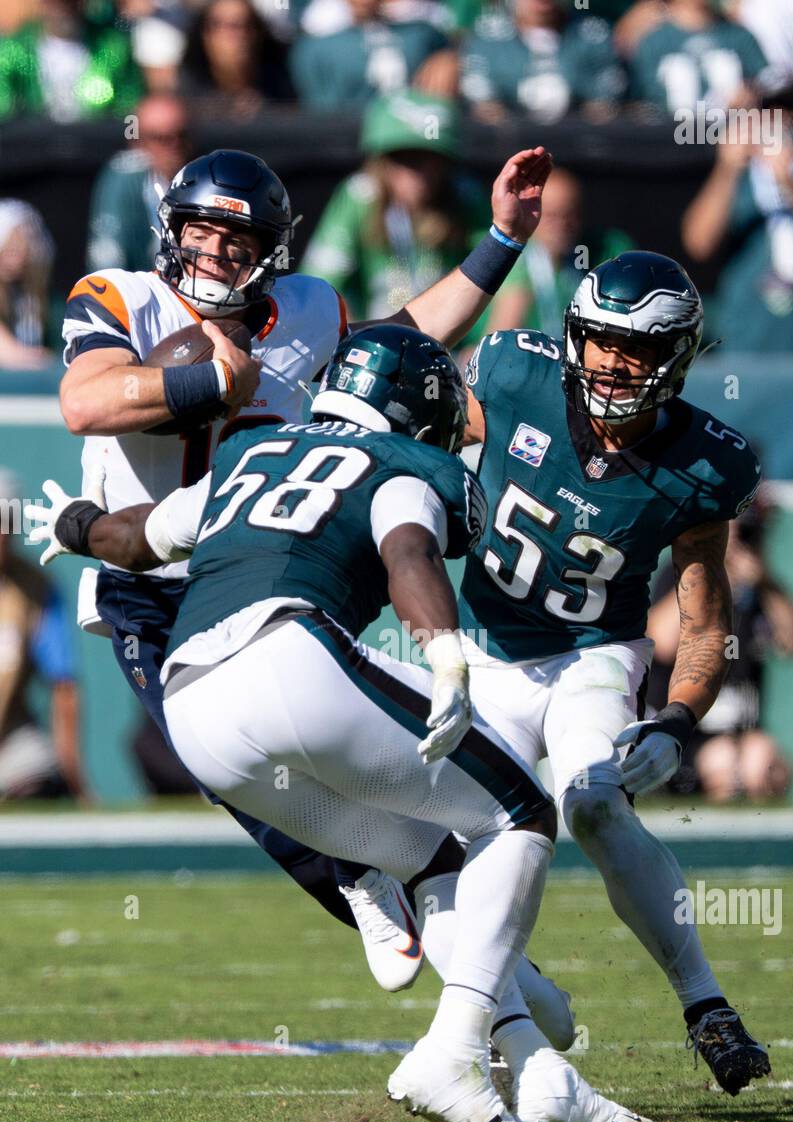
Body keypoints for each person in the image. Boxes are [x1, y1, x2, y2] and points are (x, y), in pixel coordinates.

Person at [29, 323, 654, 1122]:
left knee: (431, 861)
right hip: (288, 656)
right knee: (523, 815)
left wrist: (70, 524)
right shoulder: (402, 462)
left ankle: (535, 1067)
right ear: (414, 407)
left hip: (195, 712)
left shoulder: (249, 454)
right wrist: (446, 657)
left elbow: (134, 540)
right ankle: (454, 1051)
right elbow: (408, 555)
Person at [58, 142, 553, 990]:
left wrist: (501, 240)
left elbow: (408, 338)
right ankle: (360, 875)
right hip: (146, 569)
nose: (216, 254)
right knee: (222, 762)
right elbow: (85, 402)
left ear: (271, 254)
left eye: (239, 242)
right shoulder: (119, 296)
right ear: (171, 230)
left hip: (257, 570)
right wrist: (207, 384)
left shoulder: (308, 310)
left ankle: (445, 909)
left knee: (319, 752)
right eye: (202, 234)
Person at [457, 250, 772, 1096]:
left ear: (675, 356)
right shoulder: (512, 377)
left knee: (591, 800)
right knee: (459, 847)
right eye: (597, 339)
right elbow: (414, 430)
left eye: (633, 348)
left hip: (591, 655)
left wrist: (676, 720)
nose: (609, 360)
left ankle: (706, 1006)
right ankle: (522, 1013)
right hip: (480, 653)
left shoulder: (704, 463)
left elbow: (705, 622)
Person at [646, 493, 793, 800]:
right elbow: (662, 641)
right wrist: (712, 567)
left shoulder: (760, 587)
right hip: (681, 733)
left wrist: (765, 582)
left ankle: (758, 846)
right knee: (725, 764)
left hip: (741, 730)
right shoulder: (683, 572)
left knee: (765, 763)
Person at [681, 78, 793, 352]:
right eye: (767, 113)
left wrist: (792, 185)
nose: (778, 124)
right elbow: (698, 243)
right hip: (747, 346)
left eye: (787, 113)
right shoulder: (734, 185)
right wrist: (727, 169)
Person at [300, 93, 489, 331]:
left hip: (450, 348)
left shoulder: (466, 196)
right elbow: (319, 284)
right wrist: (354, 342)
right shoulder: (358, 195)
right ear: (381, 162)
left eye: (432, 159)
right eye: (404, 159)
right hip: (373, 344)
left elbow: (512, 281)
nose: (419, 174)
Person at [0, 468, 87, 802]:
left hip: (9, 736)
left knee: (37, 772)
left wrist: (73, 772)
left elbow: (63, 684)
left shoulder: (34, 590)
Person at [486, 167, 634, 338]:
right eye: (551, 216)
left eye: (569, 215)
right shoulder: (516, 260)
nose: (561, 225)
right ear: (533, 214)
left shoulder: (603, 248)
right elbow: (499, 336)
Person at [460, 0, 625, 124]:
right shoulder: (485, 37)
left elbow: (604, 103)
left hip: (579, 147)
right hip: (507, 148)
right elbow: (483, 105)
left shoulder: (594, 34)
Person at [86, 93, 191, 274]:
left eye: (181, 135)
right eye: (161, 138)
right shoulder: (123, 178)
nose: (174, 145)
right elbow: (108, 256)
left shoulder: (203, 180)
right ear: (139, 141)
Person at [291, 0, 453, 111]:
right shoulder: (314, 48)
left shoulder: (422, 35)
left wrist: (448, 58)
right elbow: (320, 115)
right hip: (343, 144)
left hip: (410, 138)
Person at [0, 0, 143, 121]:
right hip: (28, 146)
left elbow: (129, 109)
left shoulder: (113, 46)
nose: (63, 9)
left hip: (98, 146)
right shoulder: (12, 50)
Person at [628, 0, 767, 113]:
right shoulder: (654, 42)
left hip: (730, 136)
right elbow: (640, 104)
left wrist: (751, 95)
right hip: (668, 140)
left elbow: (767, 89)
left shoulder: (739, 35)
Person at [179, 0, 292, 120]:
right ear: (205, 34)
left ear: (257, 33)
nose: (234, 35)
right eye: (219, 24)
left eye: (243, 24)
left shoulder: (285, 81)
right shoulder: (185, 87)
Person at [0, 200, 55, 370]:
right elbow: (10, 354)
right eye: (7, 250)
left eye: (17, 250)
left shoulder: (46, 303)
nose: (15, 260)